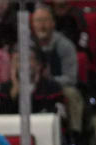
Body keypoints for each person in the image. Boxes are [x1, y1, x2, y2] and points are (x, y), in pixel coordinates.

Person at [31, 5, 84, 133]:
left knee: (72, 94)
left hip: (59, 85)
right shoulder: (27, 45)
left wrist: (50, 81)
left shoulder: (65, 45)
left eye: (45, 20)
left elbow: (71, 78)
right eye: (38, 21)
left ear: (53, 23)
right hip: (31, 85)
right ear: (32, 24)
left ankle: (74, 135)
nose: (41, 25)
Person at [0, 46, 69, 118]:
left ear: (38, 64)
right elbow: (2, 119)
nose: (22, 64)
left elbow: (58, 119)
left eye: (27, 59)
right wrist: (13, 93)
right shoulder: (4, 89)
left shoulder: (52, 88)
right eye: (18, 60)